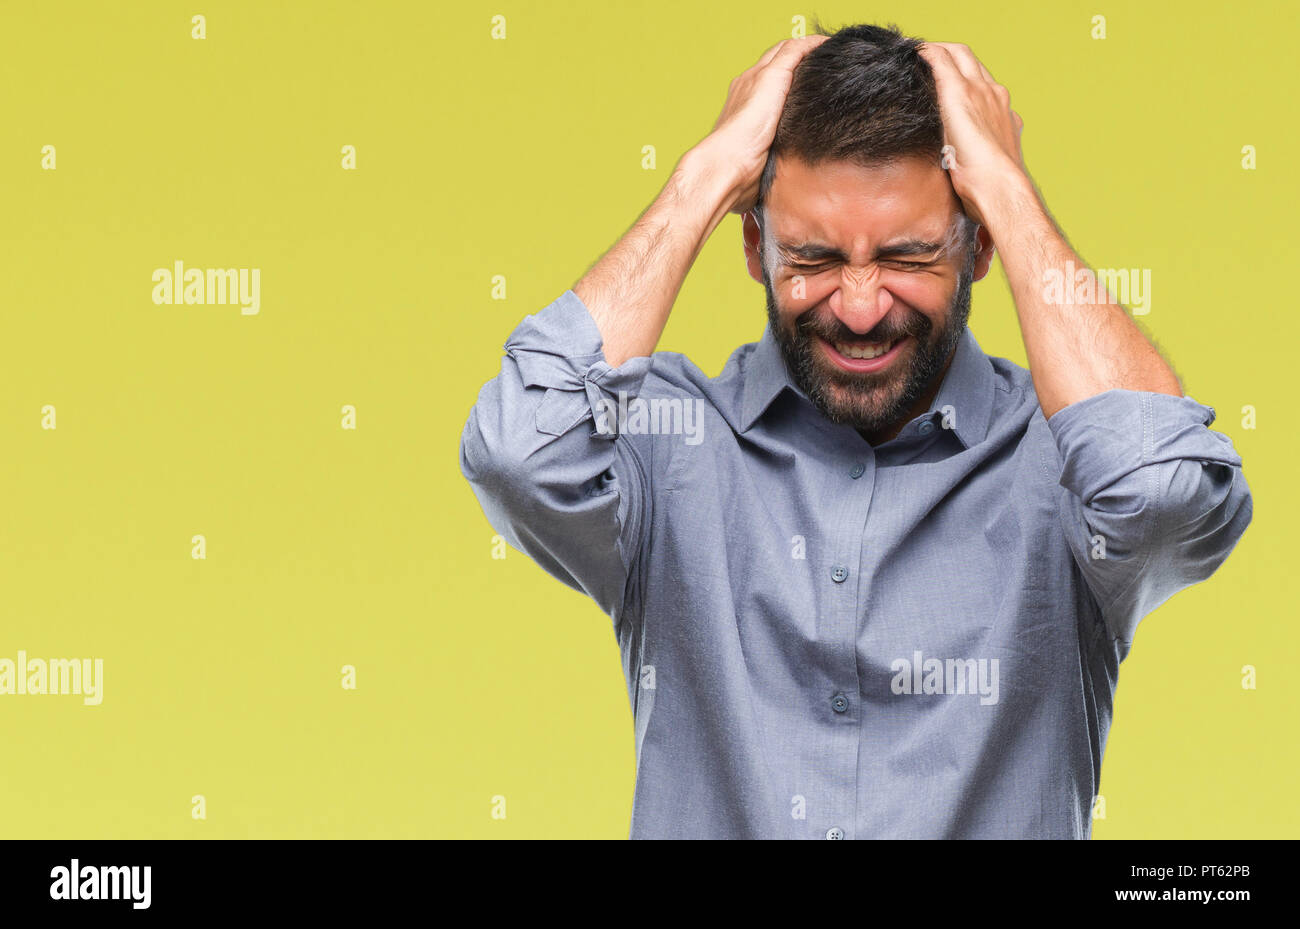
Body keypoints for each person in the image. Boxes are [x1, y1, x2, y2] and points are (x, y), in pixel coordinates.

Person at [459, 23, 1252, 839]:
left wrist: (1010, 192)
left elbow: (1162, 495)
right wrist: (705, 175)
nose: (862, 305)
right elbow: (519, 455)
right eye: (814, 258)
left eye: (909, 257)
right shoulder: (665, 442)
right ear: (753, 245)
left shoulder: (1064, 464)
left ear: (978, 247)